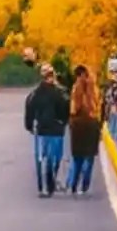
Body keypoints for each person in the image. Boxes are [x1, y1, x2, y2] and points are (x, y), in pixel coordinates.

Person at [24, 64, 69, 197]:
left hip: (43, 130)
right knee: (54, 158)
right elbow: (66, 108)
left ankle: (44, 186)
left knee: (42, 159)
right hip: (55, 130)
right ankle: (50, 184)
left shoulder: (35, 93)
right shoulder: (60, 92)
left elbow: (29, 110)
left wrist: (29, 126)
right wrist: (63, 122)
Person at [68, 64, 102, 195]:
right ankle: (85, 186)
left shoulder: (76, 89)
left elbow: (73, 109)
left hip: (78, 125)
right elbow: (99, 106)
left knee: (77, 157)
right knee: (89, 157)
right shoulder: (94, 89)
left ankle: (74, 185)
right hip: (92, 123)